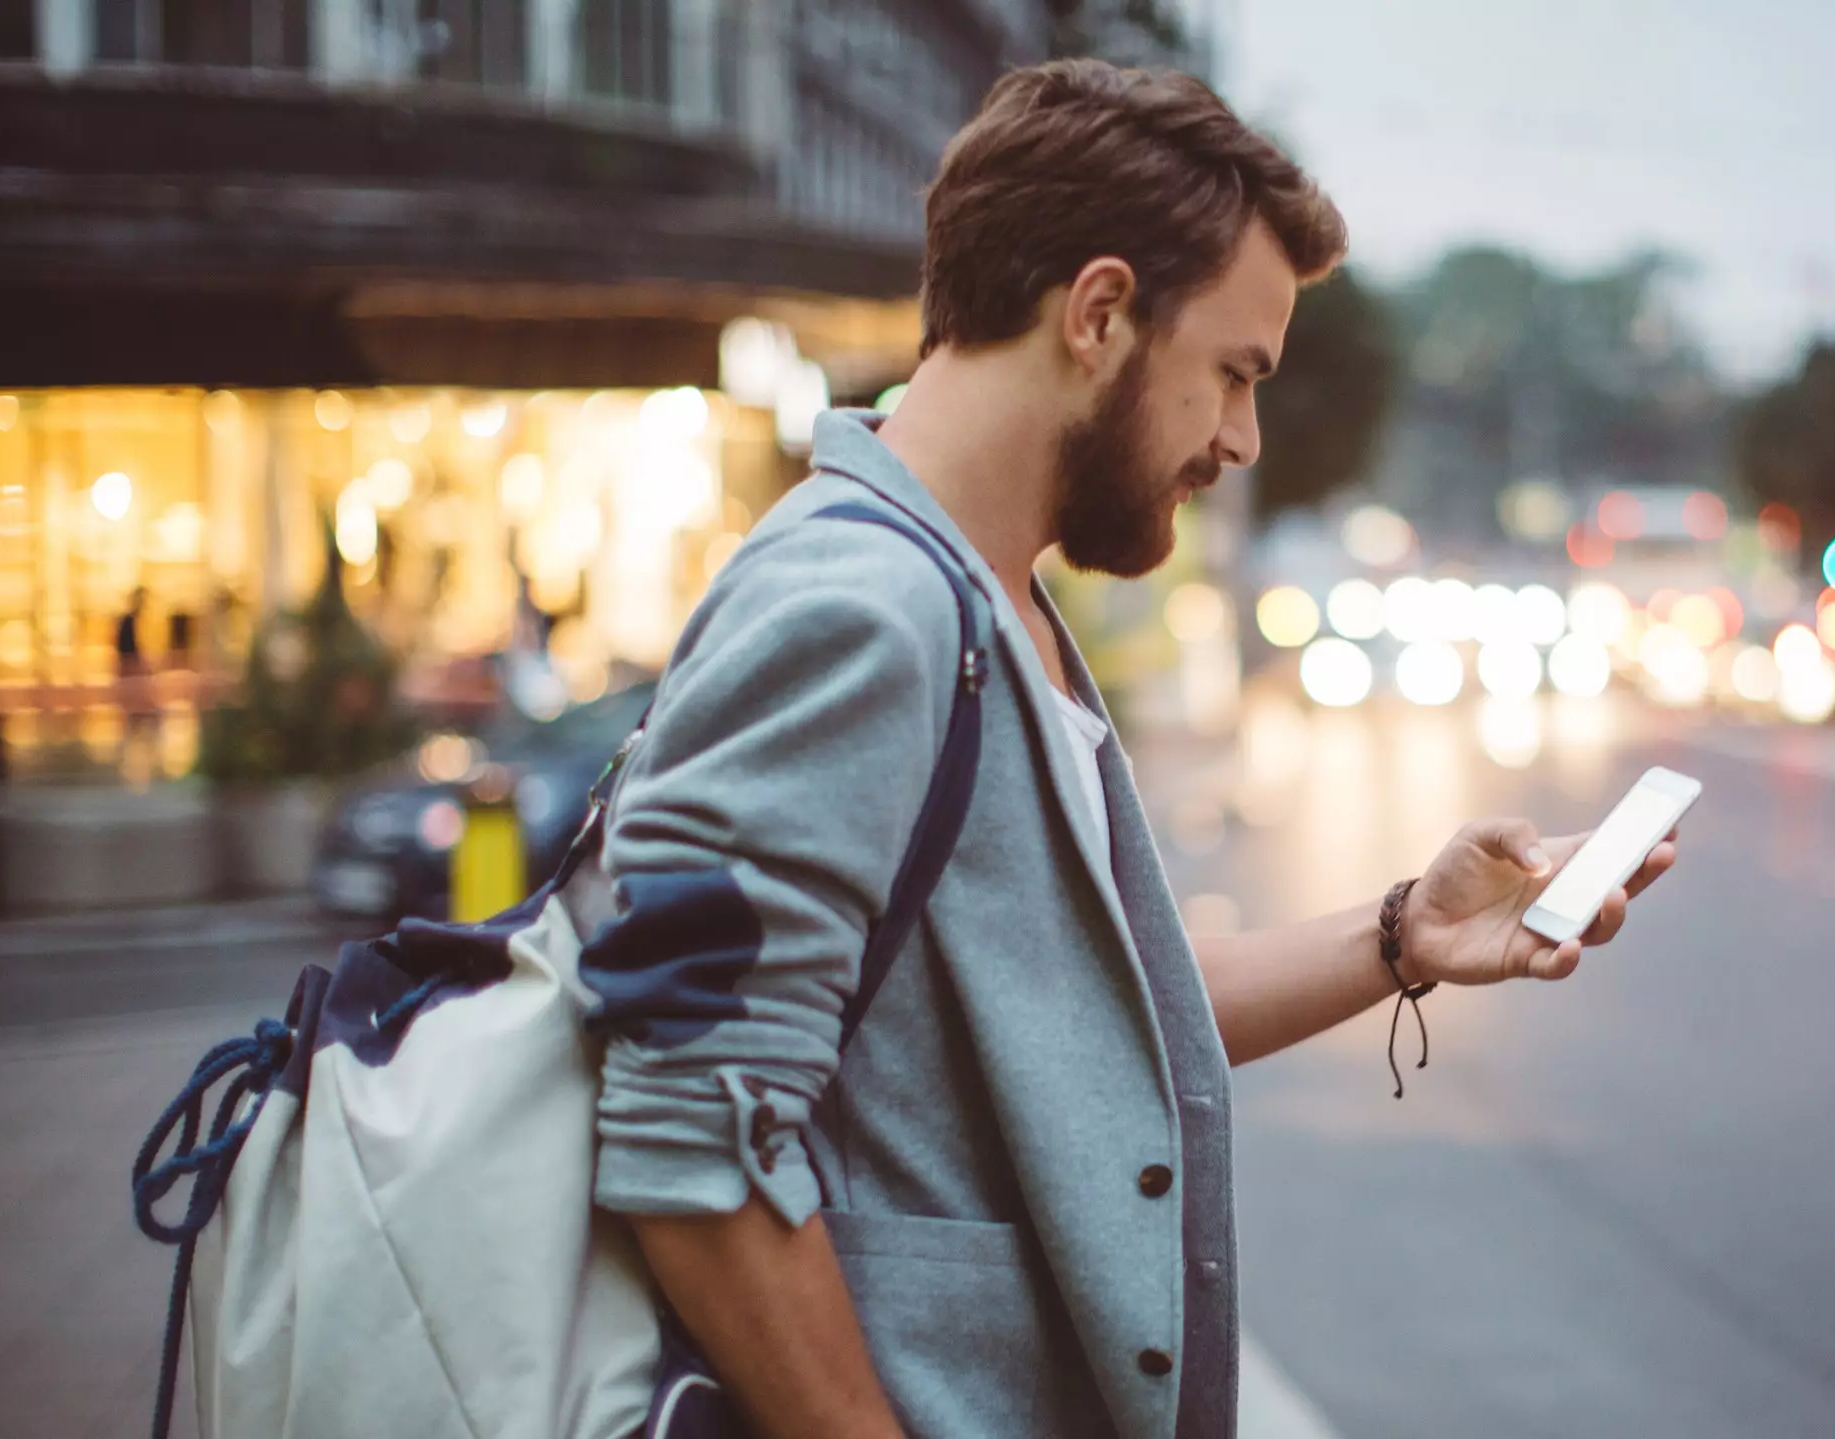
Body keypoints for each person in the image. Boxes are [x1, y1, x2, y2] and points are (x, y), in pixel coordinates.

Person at [593, 60, 1680, 1439]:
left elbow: (1087, 1025)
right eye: (1234, 373)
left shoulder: (987, 601)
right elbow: (692, 1134)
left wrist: (1409, 929)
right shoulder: (859, 609)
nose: (1243, 436)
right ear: (1100, 312)